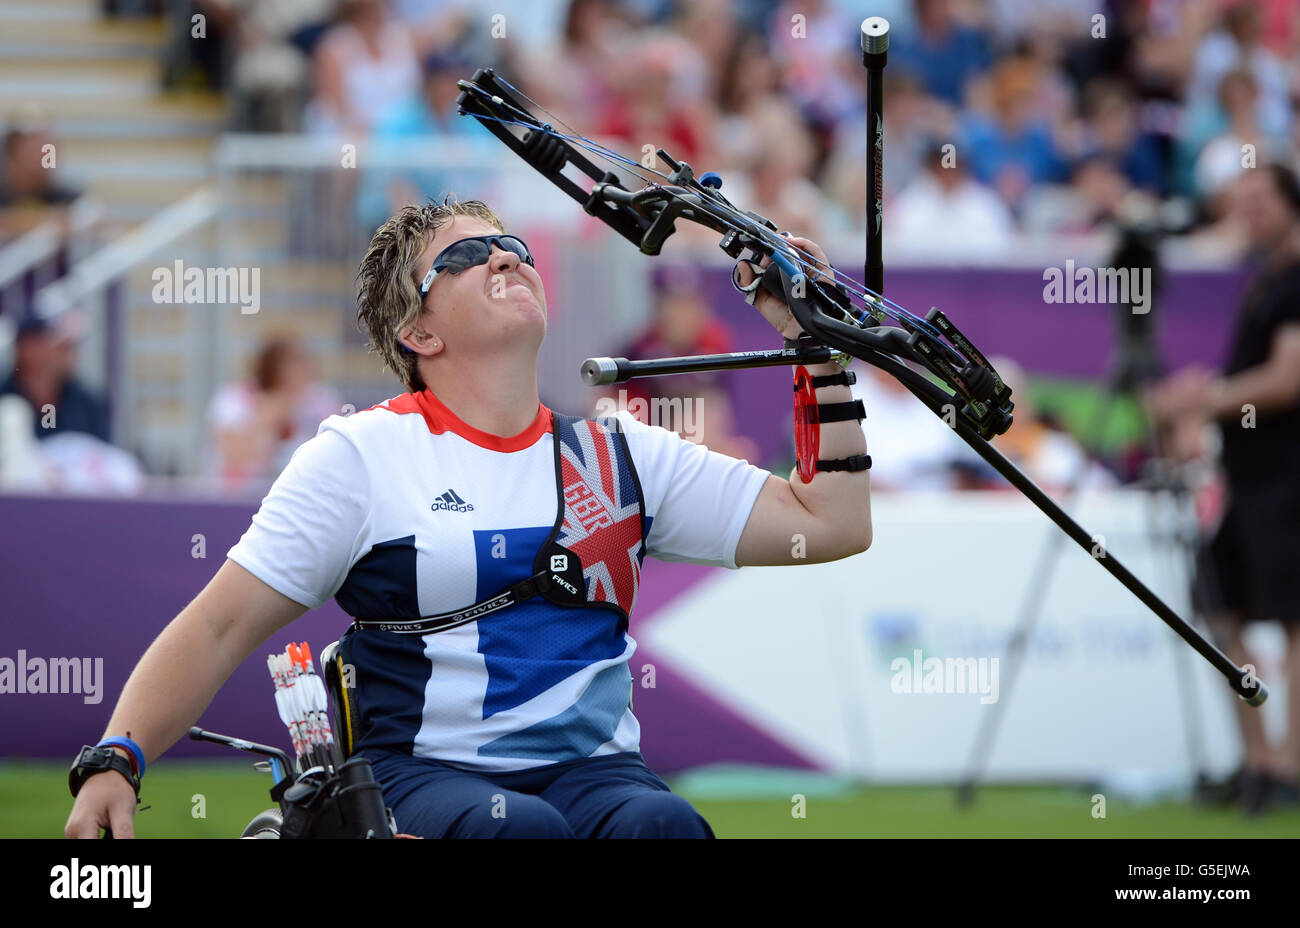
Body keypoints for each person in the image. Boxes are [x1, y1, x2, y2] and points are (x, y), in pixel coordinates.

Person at [65, 196, 873, 839]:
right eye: (462, 255)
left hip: (598, 778)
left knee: (661, 825)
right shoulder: (361, 455)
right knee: (518, 829)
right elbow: (218, 627)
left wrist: (818, 348)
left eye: (514, 245)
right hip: (422, 777)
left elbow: (830, 521)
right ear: (418, 331)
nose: (505, 255)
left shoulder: (621, 453)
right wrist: (118, 757)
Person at [1147, 163, 1300, 815]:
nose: (1251, 212)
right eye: (1243, 202)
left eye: (1263, 200)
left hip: (1287, 477)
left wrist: (1205, 402)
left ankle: (1287, 768)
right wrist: (1205, 396)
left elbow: (1288, 379)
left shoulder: (1294, 282)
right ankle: (1260, 760)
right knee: (1217, 609)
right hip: (1248, 478)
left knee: (1293, 621)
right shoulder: (1264, 282)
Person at [206, 334, 342, 493]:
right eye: (288, 366)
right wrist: (268, 418)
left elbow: (335, 455)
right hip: (238, 497)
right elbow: (234, 454)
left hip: (304, 495)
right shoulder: (234, 398)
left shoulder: (321, 401)